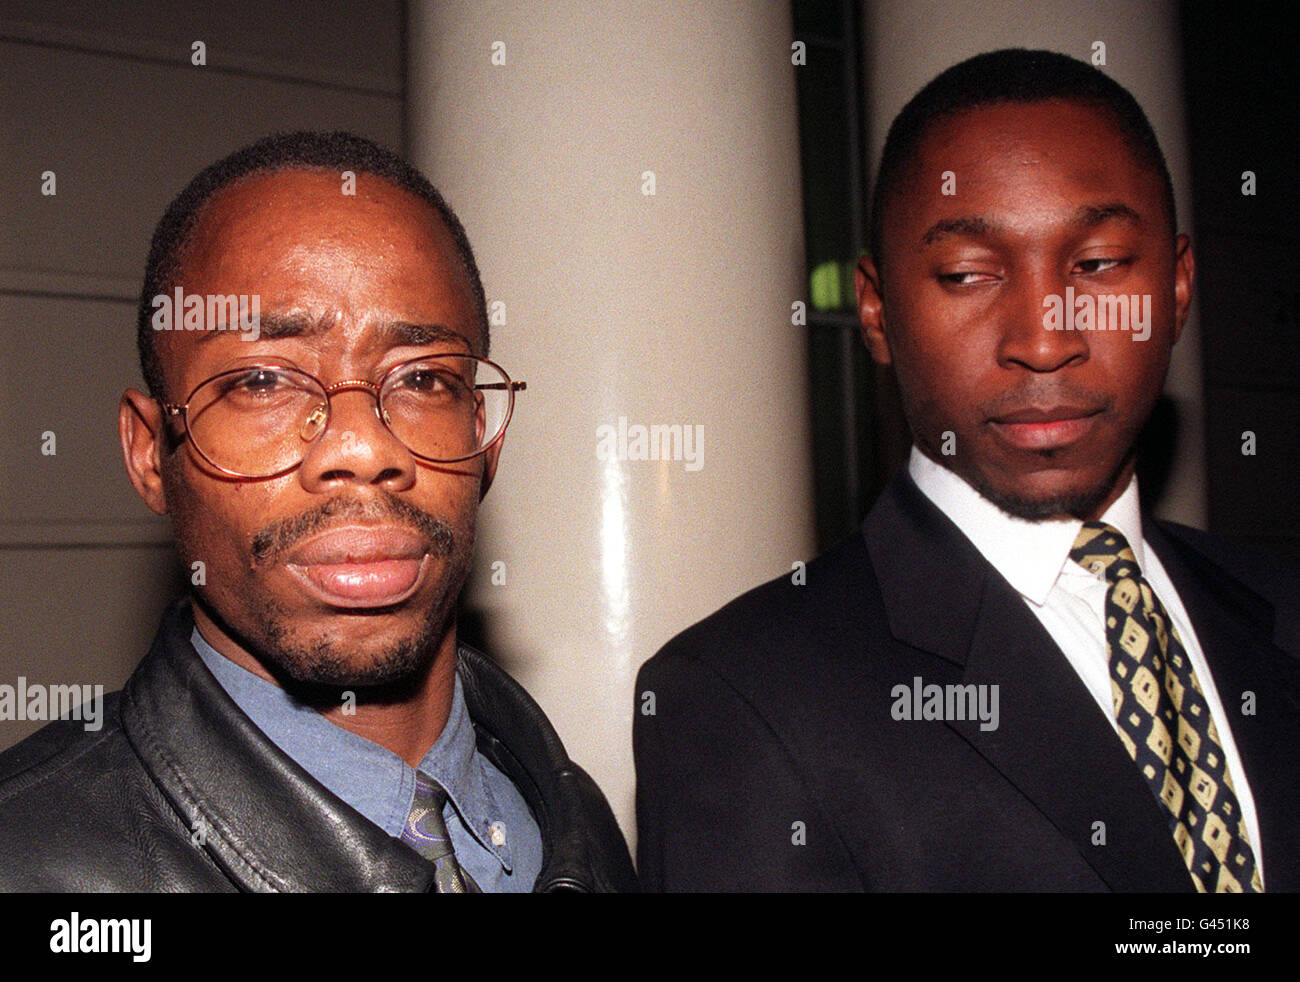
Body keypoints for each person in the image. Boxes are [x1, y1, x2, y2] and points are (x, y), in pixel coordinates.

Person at [634, 49, 1299, 892]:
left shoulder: (1278, 612)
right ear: (876, 312)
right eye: (967, 275)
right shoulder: (744, 699)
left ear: (1175, 287)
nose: (1044, 335)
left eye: (1097, 266)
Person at [0, 131, 636, 893]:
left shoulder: (571, 818)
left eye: (425, 378)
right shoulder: (32, 860)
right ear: (149, 455)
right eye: (265, 381)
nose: (363, 446)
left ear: (483, 438)